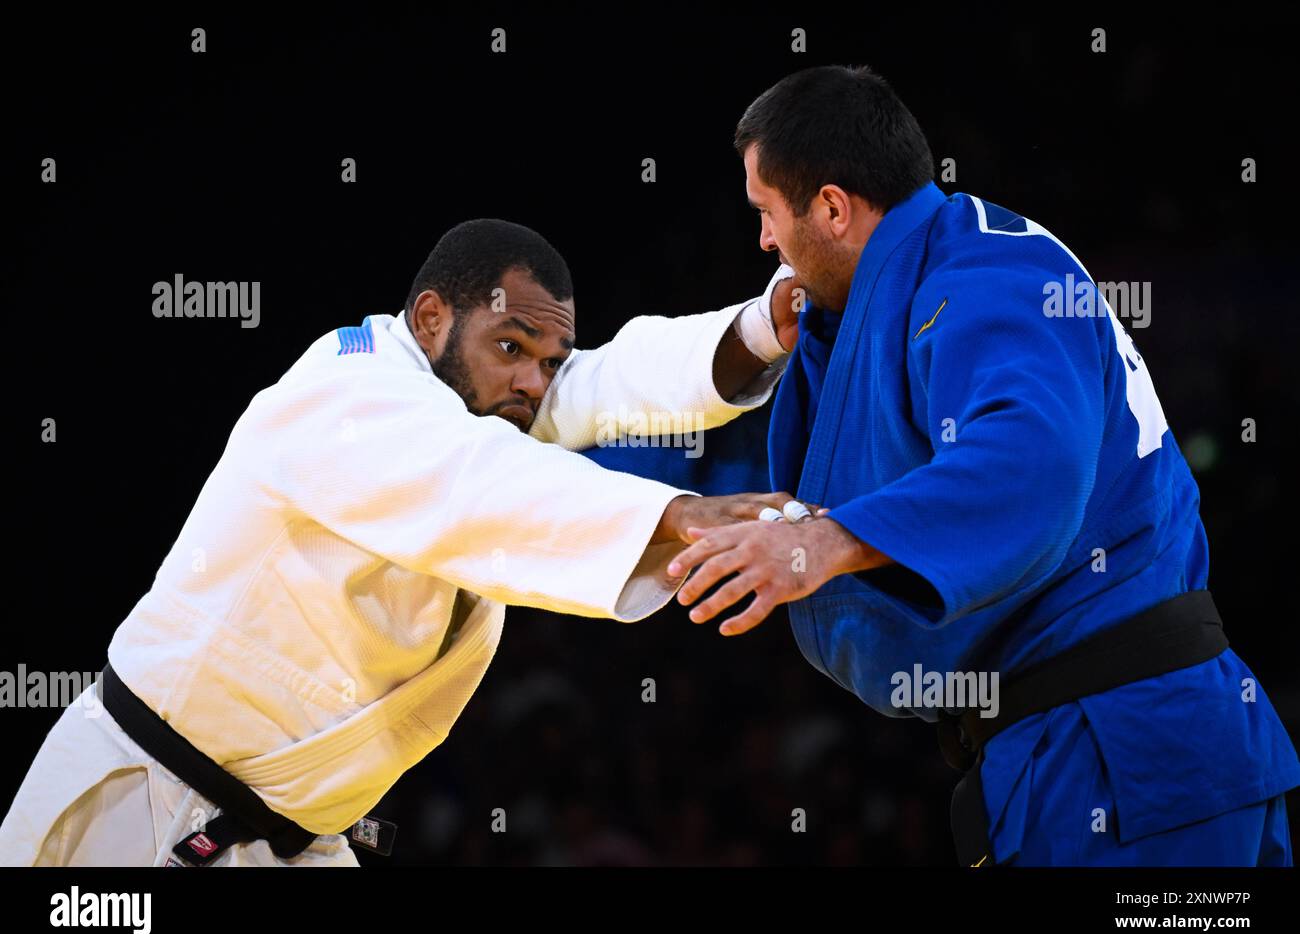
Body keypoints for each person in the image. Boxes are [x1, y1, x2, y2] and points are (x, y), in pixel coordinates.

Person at [0, 218, 801, 866]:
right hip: (139, 812)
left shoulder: (473, 400)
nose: (533, 381)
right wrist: (682, 515)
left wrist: (764, 328)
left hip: (284, 838)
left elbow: (603, 382)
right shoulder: (350, 393)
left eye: (547, 361)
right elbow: (475, 483)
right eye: (511, 347)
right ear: (430, 319)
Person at [670, 65, 1300, 865]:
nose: (764, 241)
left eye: (765, 212)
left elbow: (1030, 464)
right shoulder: (936, 271)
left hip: (1125, 749)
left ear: (830, 207)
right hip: (1095, 748)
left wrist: (825, 542)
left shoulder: (985, 274)